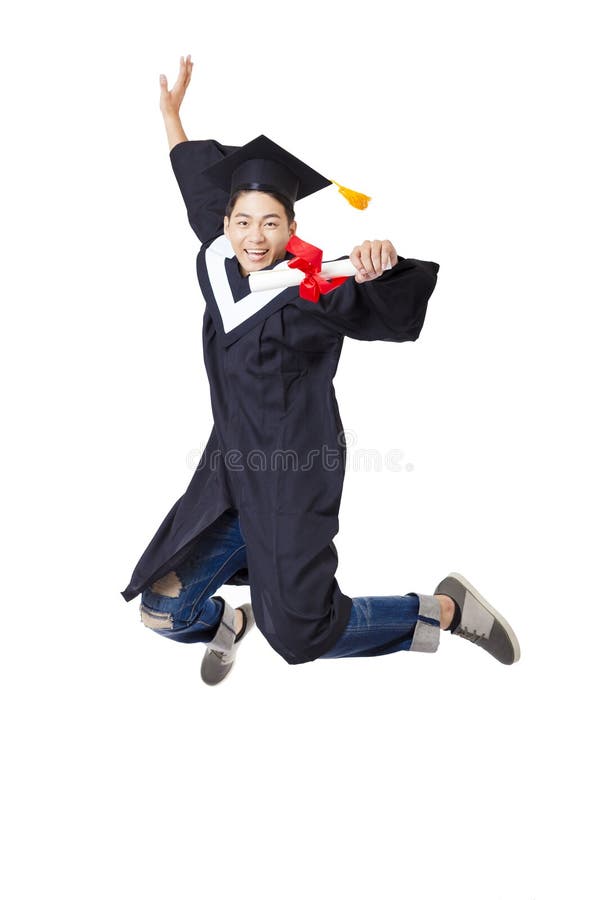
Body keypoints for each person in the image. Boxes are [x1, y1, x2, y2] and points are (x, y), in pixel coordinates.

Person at [120, 55, 521, 685]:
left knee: (299, 634)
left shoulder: (312, 290)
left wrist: (379, 263)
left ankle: (444, 609)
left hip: (289, 474)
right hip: (229, 473)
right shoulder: (218, 264)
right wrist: (173, 118)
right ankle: (228, 623)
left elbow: (380, 297)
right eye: (243, 221)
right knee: (165, 610)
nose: (255, 236)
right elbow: (200, 189)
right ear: (226, 226)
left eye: (271, 223)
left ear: (291, 228)